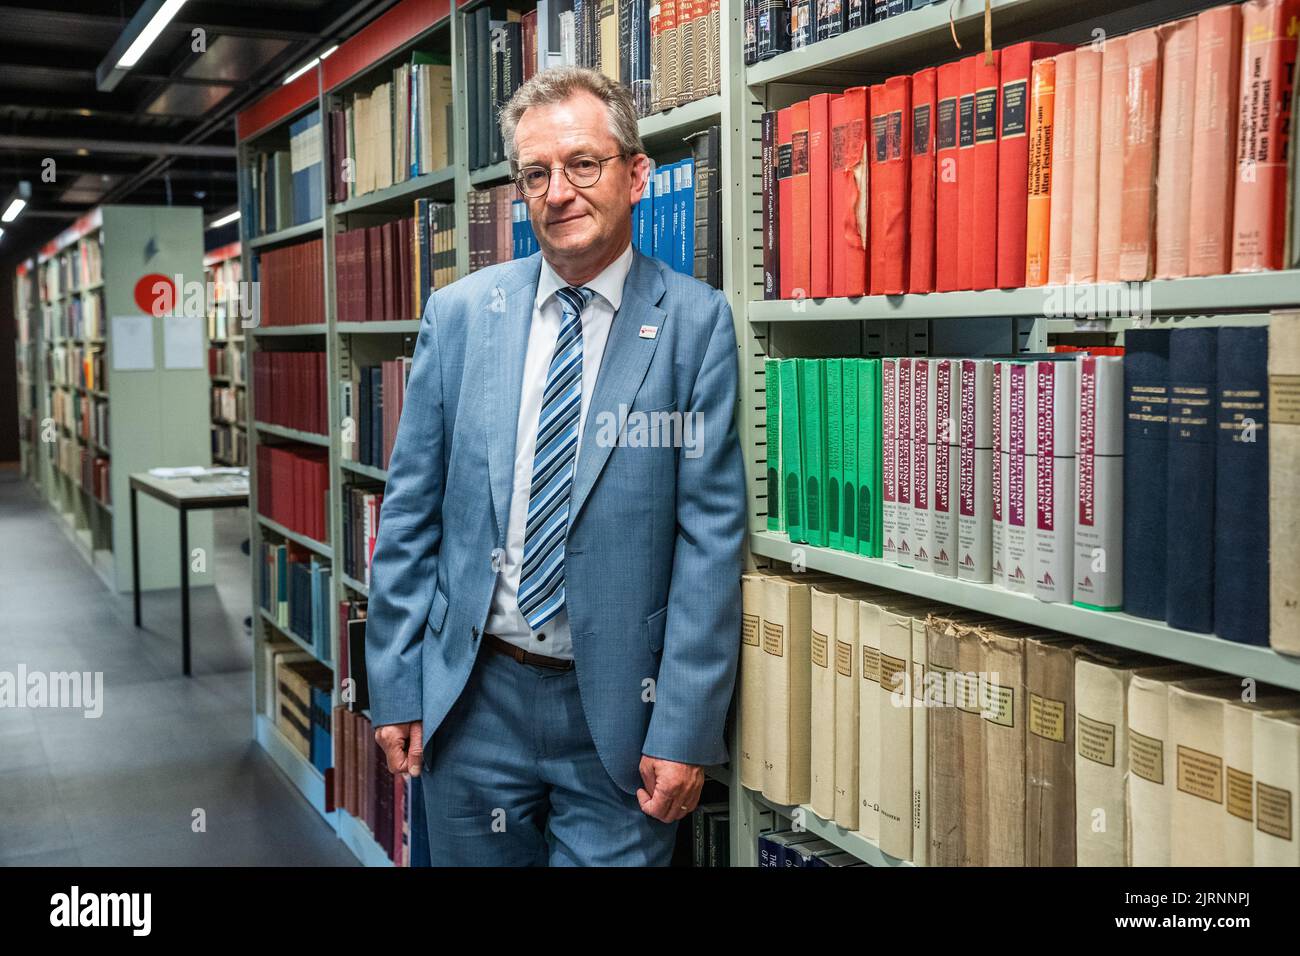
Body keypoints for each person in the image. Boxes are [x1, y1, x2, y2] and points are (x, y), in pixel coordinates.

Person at [364, 66, 746, 866]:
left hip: (618, 713)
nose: (558, 190)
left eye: (582, 164)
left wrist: (682, 726)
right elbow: (409, 511)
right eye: (535, 173)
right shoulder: (463, 315)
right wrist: (396, 685)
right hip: (471, 700)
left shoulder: (695, 326)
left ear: (636, 175)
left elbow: (710, 542)